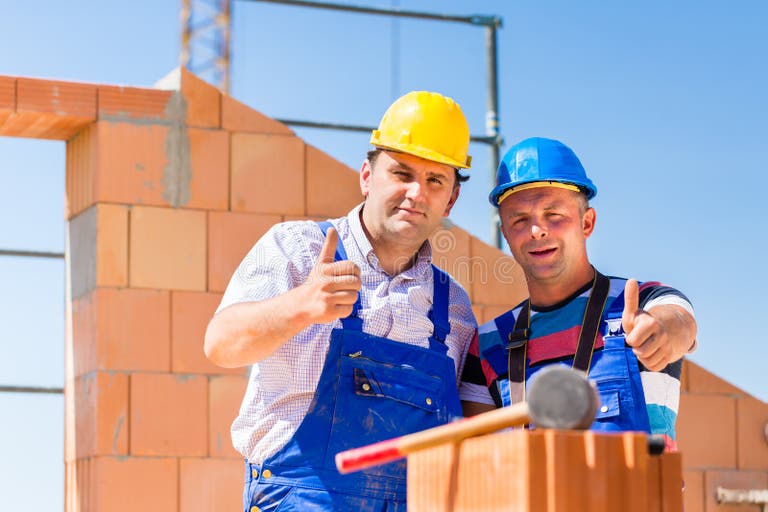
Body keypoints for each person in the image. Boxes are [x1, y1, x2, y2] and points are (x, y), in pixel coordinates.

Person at [204, 91, 477, 511]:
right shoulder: (295, 248)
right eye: (401, 173)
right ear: (367, 175)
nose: (415, 192)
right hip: (298, 499)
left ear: (451, 199)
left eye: (434, 180)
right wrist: (301, 305)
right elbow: (220, 343)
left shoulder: (453, 309)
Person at [459, 137, 697, 450]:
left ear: (587, 223)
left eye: (554, 214)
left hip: (641, 499)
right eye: (519, 220)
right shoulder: (487, 346)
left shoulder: (643, 303)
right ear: (505, 233)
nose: (537, 231)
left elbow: (679, 322)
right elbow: (480, 463)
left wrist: (662, 332)